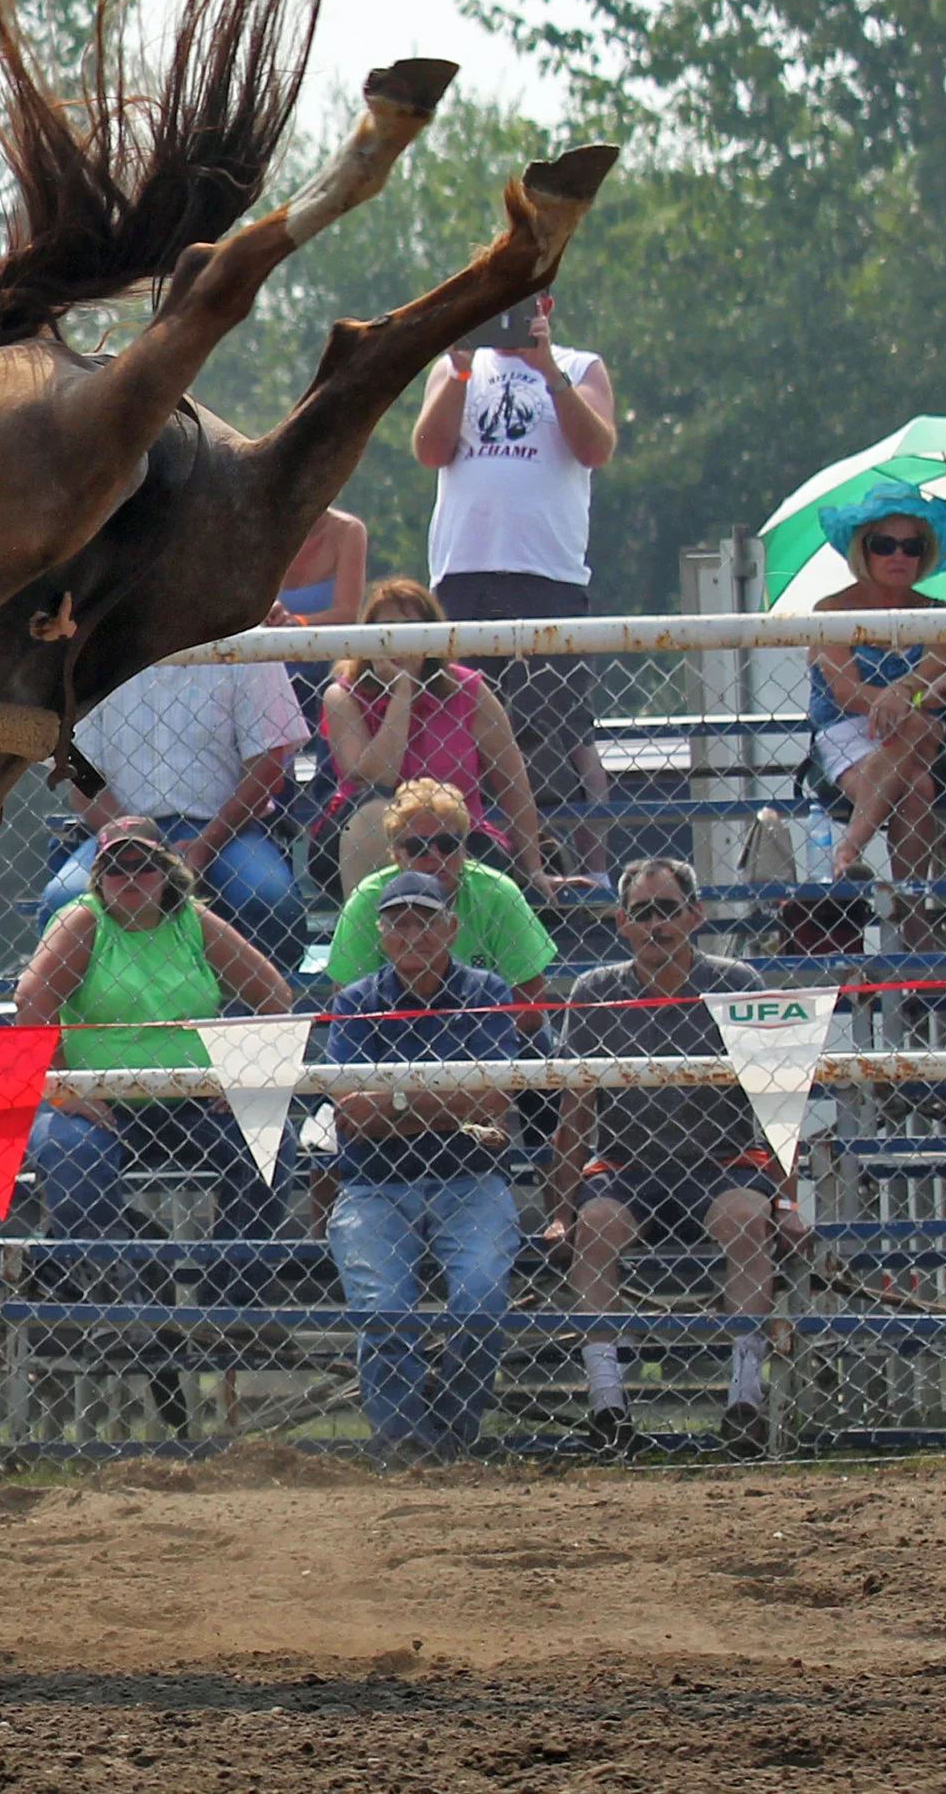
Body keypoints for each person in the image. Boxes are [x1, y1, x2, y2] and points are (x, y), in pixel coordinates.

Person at [547, 859, 805, 1459]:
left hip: (722, 1160)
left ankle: (745, 1401)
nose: (657, 926)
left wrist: (788, 1202)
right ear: (621, 923)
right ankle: (608, 1408)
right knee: (596, 1229)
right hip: (626, 1164)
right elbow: (575, 1115)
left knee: (748, 1218)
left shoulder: (737, 984)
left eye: (669, 911)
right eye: (643, 913)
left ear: (697, 915)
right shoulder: (594, 993)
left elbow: (777, 1103)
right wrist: (559, 1210)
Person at [16, 817, 298, 1300]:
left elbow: (274, 994)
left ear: (167, 871)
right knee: (73, 1155)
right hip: (100, 1104)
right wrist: (65, 1090)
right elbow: (30, 1000)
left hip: (190, 1101)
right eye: (114, 869)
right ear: (98, 879)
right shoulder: (84, 921)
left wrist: (249, 1074)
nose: (129, 878)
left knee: (271, 1138)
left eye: (143, 865)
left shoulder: (192, 920)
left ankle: (228, 1304)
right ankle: (114, 1309)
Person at [319, 870, 526, 1462]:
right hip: (375, 1186)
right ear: (381, 936)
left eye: (426, 921)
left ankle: (450, 1437)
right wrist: (446, 1101)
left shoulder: (486, 992)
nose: (412, 935)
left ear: (451, 929)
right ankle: (403, 1446)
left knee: (481, 1296)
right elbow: (352, 1117)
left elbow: (493, 1101)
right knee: (382, 1303)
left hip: (470, 1180)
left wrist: (397, 1102)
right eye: (399, 924)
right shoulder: (356, 1003)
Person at [412, 288, 619, 876]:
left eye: (519, 304)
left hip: (547, 574)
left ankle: (591, 875)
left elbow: (596, 447)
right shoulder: (455, 368)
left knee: (564, 727)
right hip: (463, 575)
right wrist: (457, 369)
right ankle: (467, 865)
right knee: (458, 723)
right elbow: (430, 451)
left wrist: (548, 369)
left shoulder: (581, 367)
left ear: (546, 307)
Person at [46, 658, 310, 959]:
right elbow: (81, 779)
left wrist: (206, 844)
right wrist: (138, 845)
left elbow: (268, 768)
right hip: (118, 831)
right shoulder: (99, 653)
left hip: (228, 829)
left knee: (268, 897)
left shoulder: (246, 645)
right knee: (62, 900)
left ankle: (270, 1002)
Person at [806, 483, 946, 949]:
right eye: (885, 545)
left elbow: (933, 670)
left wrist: (904, 696)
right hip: (848, 731)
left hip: (915, 730)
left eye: (912, 547)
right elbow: (844, 692)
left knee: (918, 727)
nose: (899, 556)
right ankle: (914, 920)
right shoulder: (832, 609)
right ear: (864, 550)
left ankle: (849, 851)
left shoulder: (939, 613)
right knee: (917, 786)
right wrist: (905, 697)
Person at [318, 577, 552, 898]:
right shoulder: (343, 695)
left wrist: (534, 867)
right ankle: (371, 939)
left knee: (455, 850)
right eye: (387, 630)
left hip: (455, 835)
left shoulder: (468, 690)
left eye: (411, 629)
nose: (398, 641)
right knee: (374, 812)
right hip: (367, 837)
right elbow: (377, 776)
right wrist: (402, 690)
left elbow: (513, 783)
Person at [324, 779, 555, 1034]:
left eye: (447, 845)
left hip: (490, 1040)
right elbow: (349, 1008)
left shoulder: (499, 893)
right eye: (418, 847)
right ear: (396, 853)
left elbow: (529, 1005)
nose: (435, 856)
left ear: (464, 846)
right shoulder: (368, 899)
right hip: (394, 1041)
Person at [267, 504, 368, 728]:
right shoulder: (259, 530)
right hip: (268, 676)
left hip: (328, 677)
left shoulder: (349, 531)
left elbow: (347, 614)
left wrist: (297, 623)